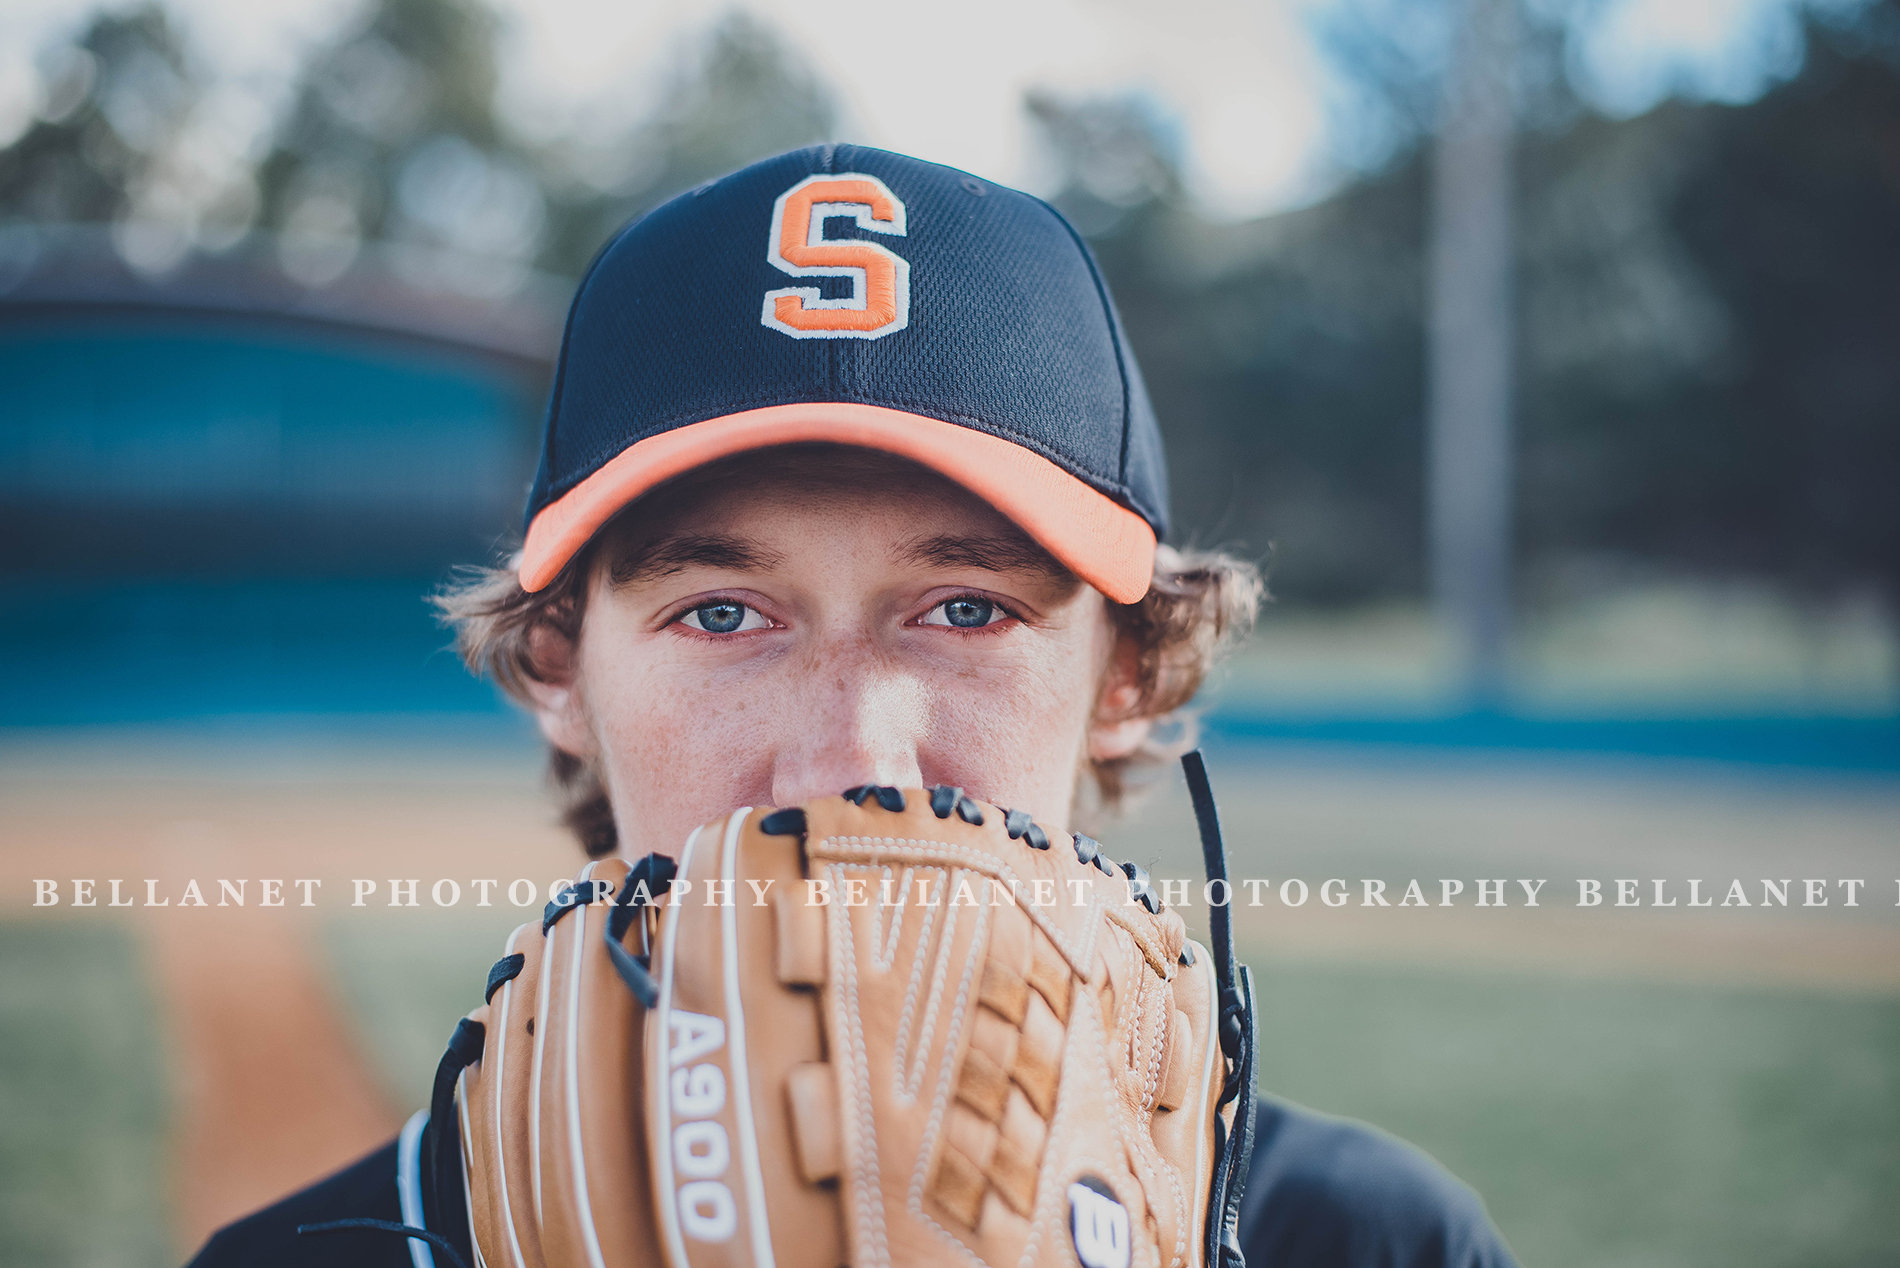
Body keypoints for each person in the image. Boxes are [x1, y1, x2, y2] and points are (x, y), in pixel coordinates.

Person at [188, 144, 1517, 1268]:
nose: (846, 760)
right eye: (722, 616)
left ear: (1133, 671)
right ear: (557, 670)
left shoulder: (1366, 1241)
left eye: (964, 613)